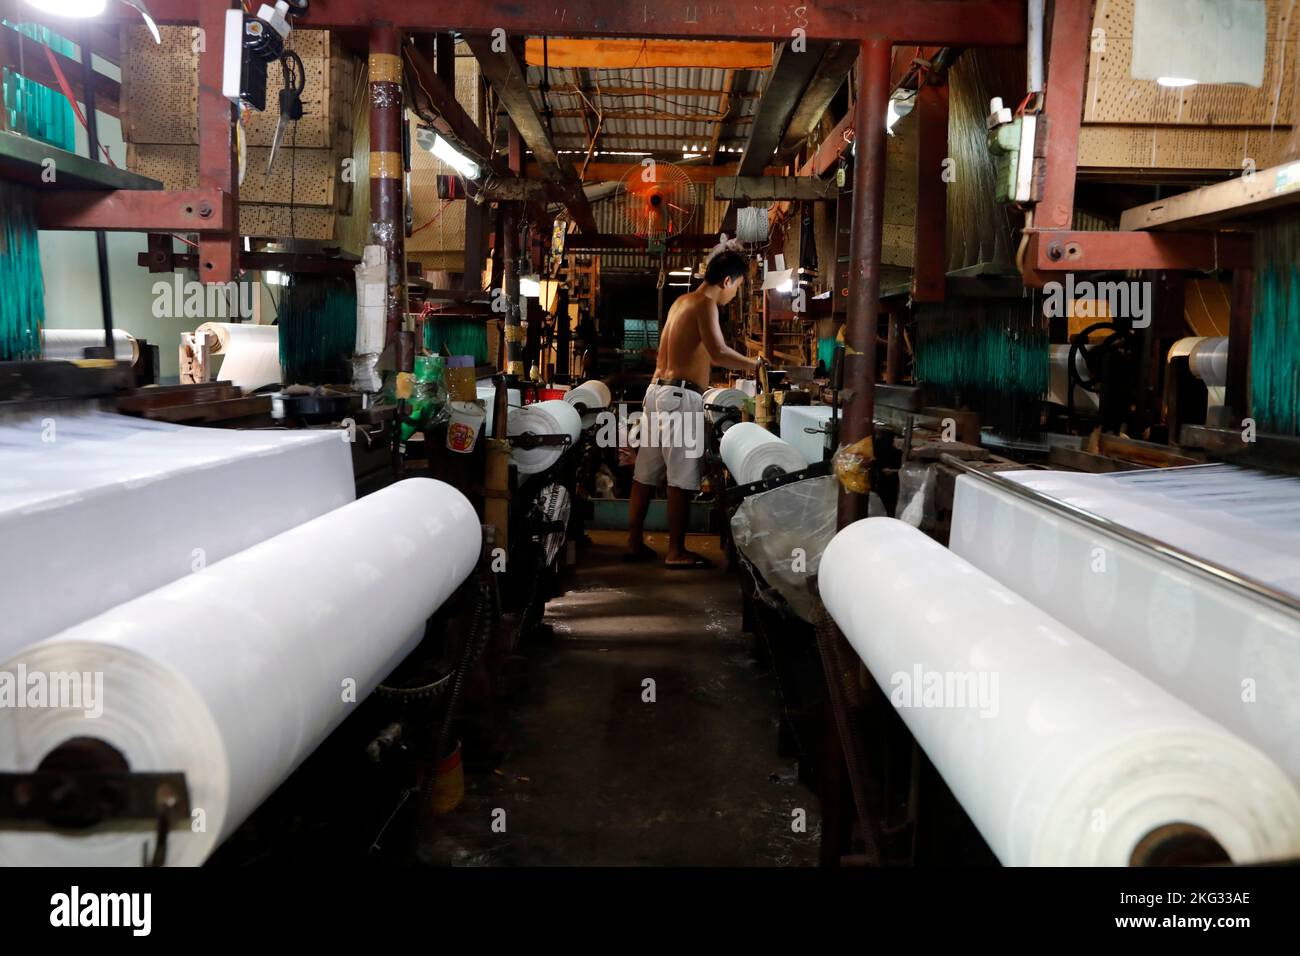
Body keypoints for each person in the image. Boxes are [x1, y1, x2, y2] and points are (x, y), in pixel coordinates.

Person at [624, 249, 762, 569]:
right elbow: (717, 352)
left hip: (656, 394)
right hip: (680, 398)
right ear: (727, 280)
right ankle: (676, 551)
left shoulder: (681, 301)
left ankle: (633, 542)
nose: (735, 293)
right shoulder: (706, 304)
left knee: (644, 474)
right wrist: (755, 365)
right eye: (738, 287)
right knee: (682, 478)